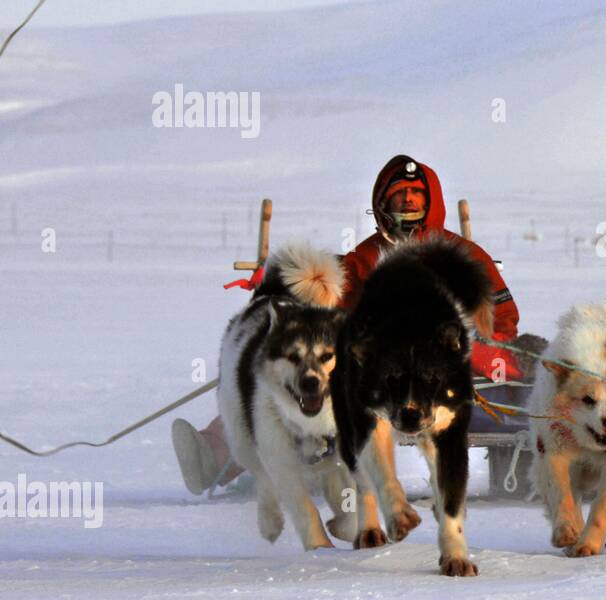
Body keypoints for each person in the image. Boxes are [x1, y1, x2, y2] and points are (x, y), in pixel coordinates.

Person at [172, 155, 523, 494]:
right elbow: (335, 303)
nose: (408, 202)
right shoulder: (368, 256)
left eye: (416, 195)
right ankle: (213, 451)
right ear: (383, 202)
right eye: (399, 195)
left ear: (430, 202)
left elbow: (503, 322)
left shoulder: (465, 256)